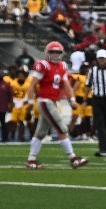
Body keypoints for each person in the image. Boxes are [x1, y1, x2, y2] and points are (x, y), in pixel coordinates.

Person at [25, 40, 87, 170]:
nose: (55, 54)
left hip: (52, 101)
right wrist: (30, 102)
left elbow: (66, 85)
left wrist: (72, 99)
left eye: (57, 52)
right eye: (52, 52)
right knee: (62, 128)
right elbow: (32, 85)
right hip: (45, 101)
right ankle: (73, 158)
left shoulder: (62, 66)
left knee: (41, 132)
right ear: (47, 53)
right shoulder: (43, 65)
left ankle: (31, 160)